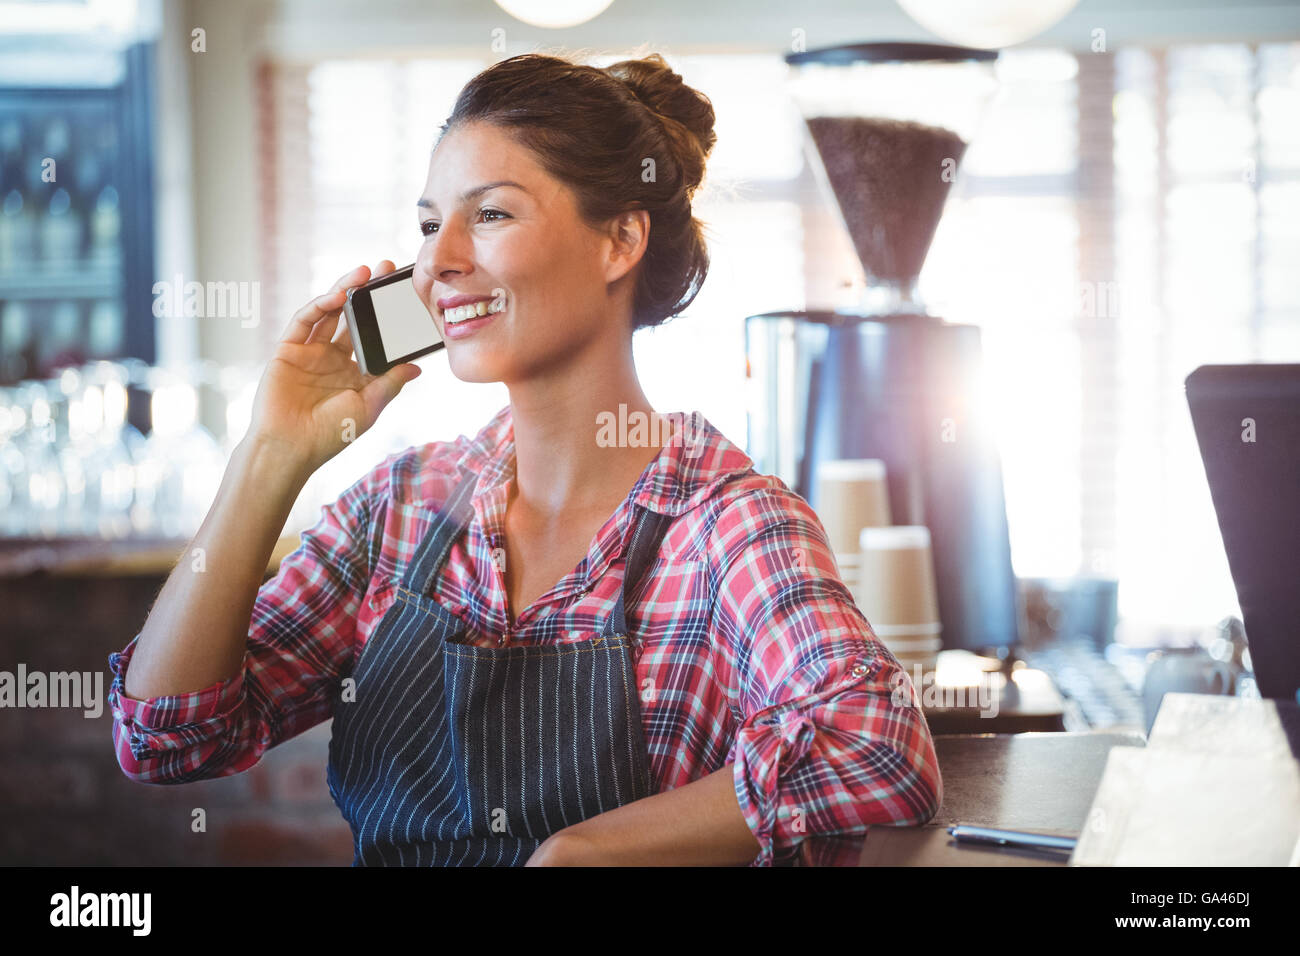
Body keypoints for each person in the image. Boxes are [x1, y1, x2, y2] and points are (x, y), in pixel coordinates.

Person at [107, 51, 941, 867]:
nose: (438, 262)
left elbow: (876, 746)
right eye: (430, 225)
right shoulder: (398, 508)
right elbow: (168, 738)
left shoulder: (728, 526)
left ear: (619, 240)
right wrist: (271, 456)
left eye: (492, 214)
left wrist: (585, 852)